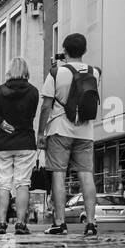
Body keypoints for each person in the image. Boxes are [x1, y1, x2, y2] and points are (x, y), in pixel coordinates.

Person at [36, 33, 101, 236]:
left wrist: (40, 132)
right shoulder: (95, 72)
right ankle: (90, 222)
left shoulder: (56, 73)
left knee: (58, 175)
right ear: (84, 50)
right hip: (85, 131)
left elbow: (46, 105)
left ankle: (60, 222)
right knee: (86, 175)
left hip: (59, 130)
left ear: (64, 50)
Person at [0, 57, 40, 236]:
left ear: (9, 71)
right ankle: (21, 223)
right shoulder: (33, 92)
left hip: (3, 143)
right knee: (23, 183)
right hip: (26, 142)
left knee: (3, 185)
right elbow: (31, 115)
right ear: (26, 71)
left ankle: (1, 222)